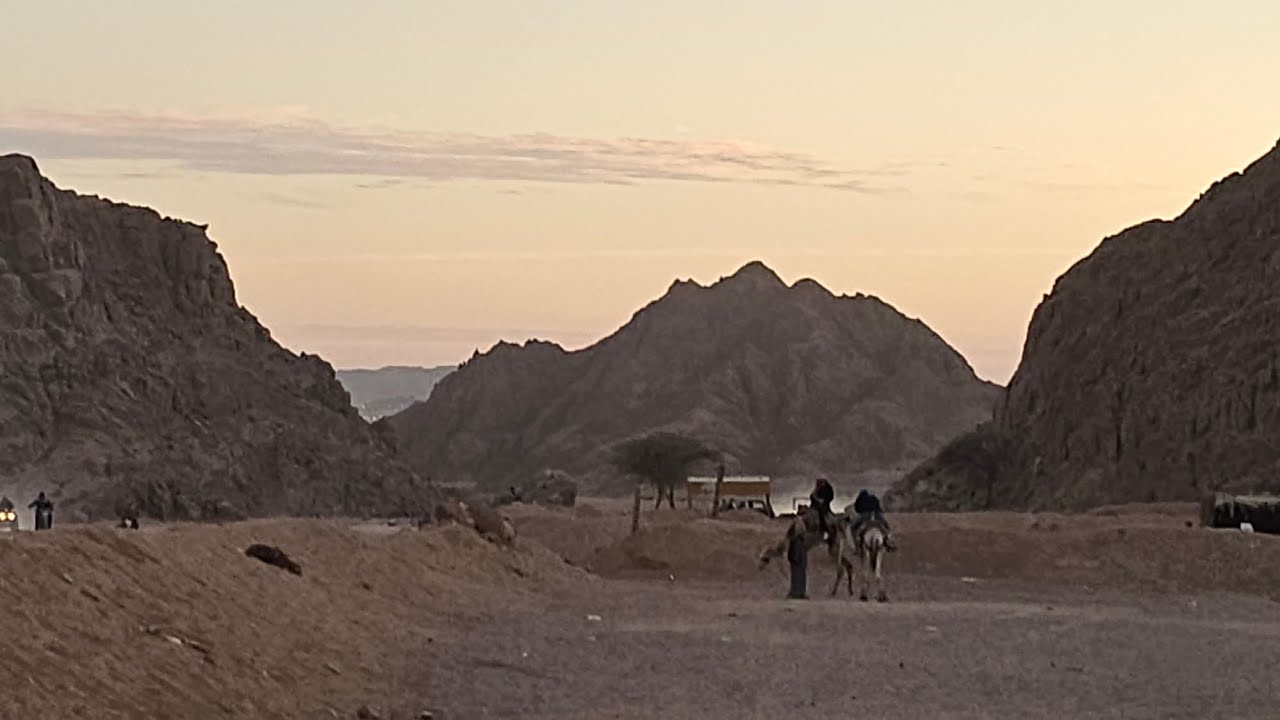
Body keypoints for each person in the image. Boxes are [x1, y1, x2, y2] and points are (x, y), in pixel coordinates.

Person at [809, 477, 836, 545]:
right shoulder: (819, 489)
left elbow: (826, 499)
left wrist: (820, 501)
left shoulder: (825, 489)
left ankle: (824, 531)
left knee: (822, 518)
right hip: (817, 507)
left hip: (822, 508)